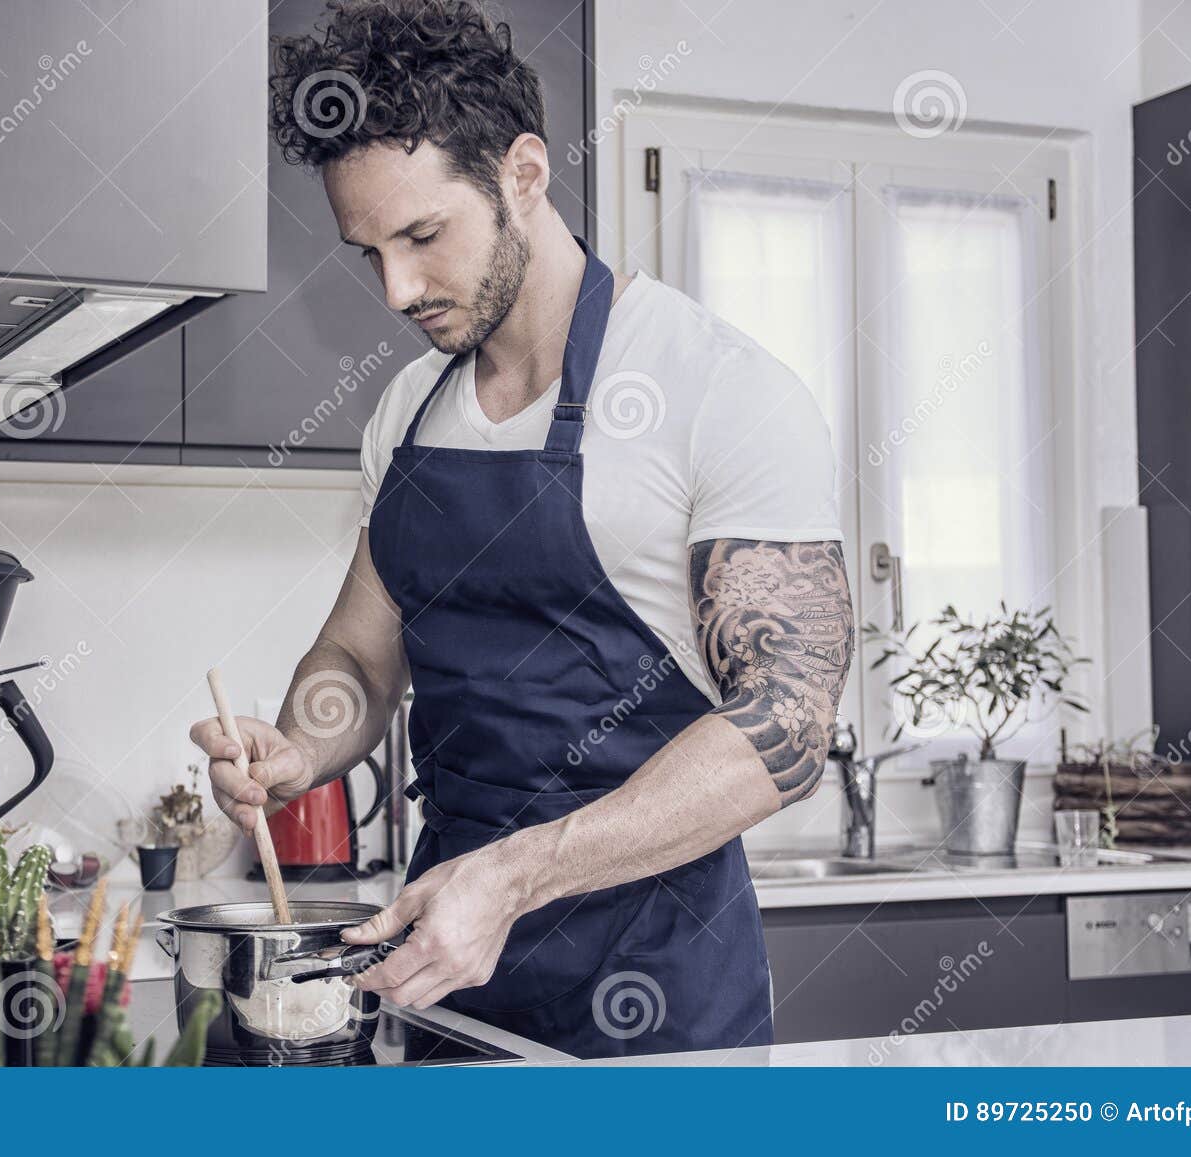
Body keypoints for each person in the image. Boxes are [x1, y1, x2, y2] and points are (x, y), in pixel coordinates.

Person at [191, 0, 853, 1058]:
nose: (397, 288)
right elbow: (363, 655)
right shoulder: (408, 407)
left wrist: (515, 871)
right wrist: (296, 750)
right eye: (368, 251)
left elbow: (787, 725)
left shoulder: (715, 388)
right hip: (448, 977)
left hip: (660, 999)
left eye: (421, 236)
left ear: (524, 174)